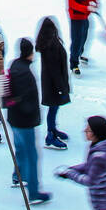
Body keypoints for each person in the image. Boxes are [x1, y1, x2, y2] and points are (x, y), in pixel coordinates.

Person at [4, 39, 51, 204]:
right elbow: (25, 99)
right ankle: (34, 191)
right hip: (24, 121)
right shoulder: (24, 73)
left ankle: (18, 175)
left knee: (20, 149)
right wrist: (31, 113)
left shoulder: (15, 65)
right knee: (32, 154)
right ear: (30, 53)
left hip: (14, 118)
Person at [35, 17, 71, 150]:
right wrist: (61, 88)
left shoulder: (47, 44)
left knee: (54, 108)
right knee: (53, 108)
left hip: (50, 84)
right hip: (54, 85)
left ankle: (53, 129)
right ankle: (50, 134)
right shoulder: (52, 46)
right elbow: (55, 70)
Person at [66, 0, 99, 73]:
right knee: (76, 39)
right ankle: (73, 63)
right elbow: (72, 4)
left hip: (86, 14)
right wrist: (86, 8)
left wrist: (94, 1)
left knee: (84, 36)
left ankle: (79, 53)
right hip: (76, 16)